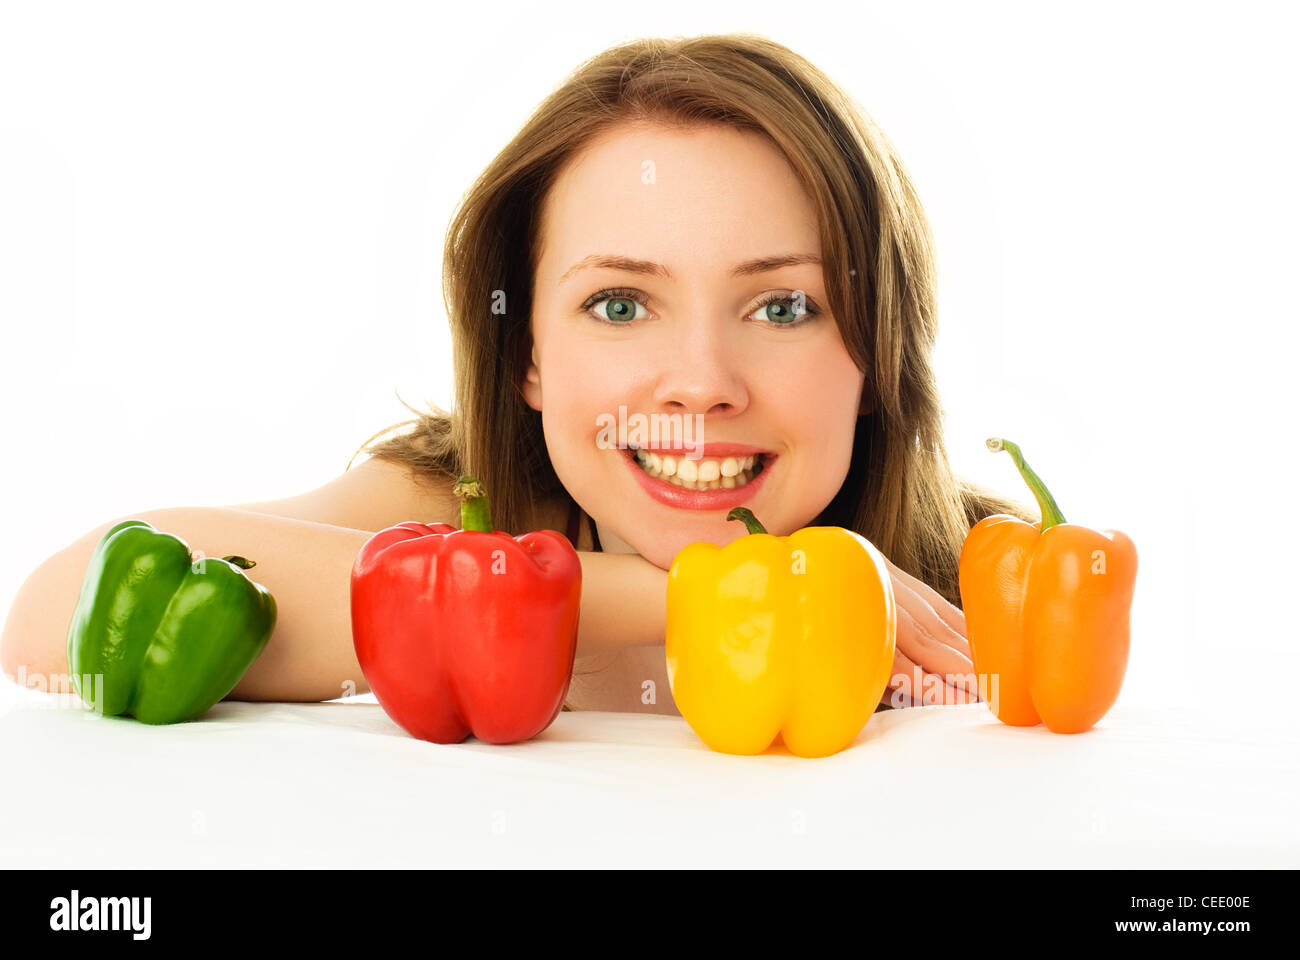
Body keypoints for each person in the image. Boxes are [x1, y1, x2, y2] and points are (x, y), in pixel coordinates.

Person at [1, 33, 1033, 716]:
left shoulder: (996, 597)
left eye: (781, 306)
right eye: (619, 305)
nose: (698, 383)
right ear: (528, 353)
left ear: (878, 352)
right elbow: (57, 619)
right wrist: (674, 598)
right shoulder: (463, 504)